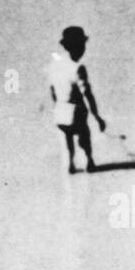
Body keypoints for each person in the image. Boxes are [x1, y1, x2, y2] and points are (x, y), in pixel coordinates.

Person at [47, 25, 106, 173]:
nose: (84, 48)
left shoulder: (54, 65)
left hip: (60, 112)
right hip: (76, 112)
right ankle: (89, 162)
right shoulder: (77, 68)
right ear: (78, 46)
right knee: (84, 136)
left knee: (67, 141)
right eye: (82, 45)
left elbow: (52, 90)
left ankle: (70, 165)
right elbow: (87, 94)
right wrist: (97, 117)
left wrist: (56, 106)